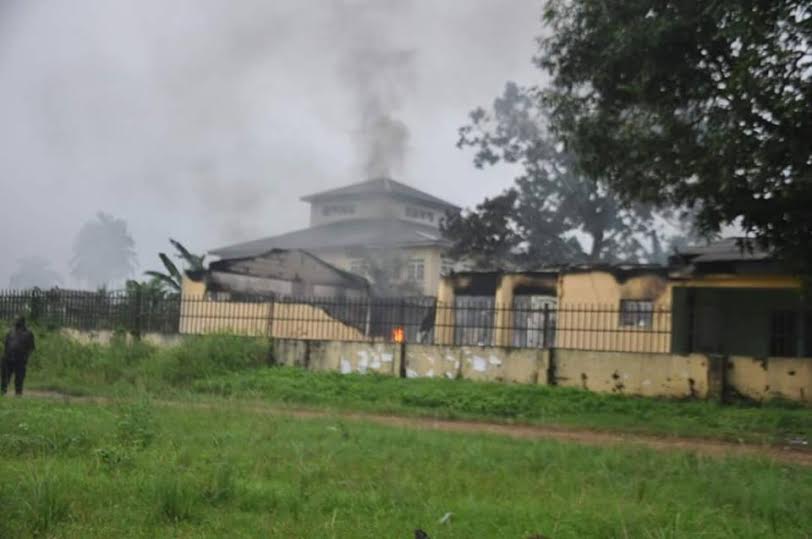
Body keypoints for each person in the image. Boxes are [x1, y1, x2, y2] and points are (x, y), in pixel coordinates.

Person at [2, 317, 35, 396]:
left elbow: (31, 347)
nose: (16, 322)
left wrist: (26, 357)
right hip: (8, 358)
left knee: (19, 378)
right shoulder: (10, 332)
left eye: (18, 320)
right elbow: (6, 345)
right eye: (15, 320)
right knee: (5, 377)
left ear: (23, 322)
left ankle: (18, 394)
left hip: (20, 360)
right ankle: (2, 392)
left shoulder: (28, 333)